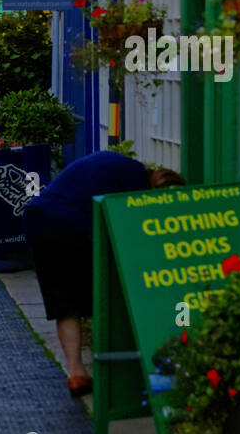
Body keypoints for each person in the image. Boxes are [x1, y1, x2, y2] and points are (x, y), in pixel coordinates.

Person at [24, 150, 185, 397]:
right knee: (104, 292)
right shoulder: (136, 185)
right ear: (158, 186)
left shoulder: (119, 164)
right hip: (72, 224)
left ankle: (76, 373)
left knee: (64, 304)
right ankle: (117, 365)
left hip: (39, 218)